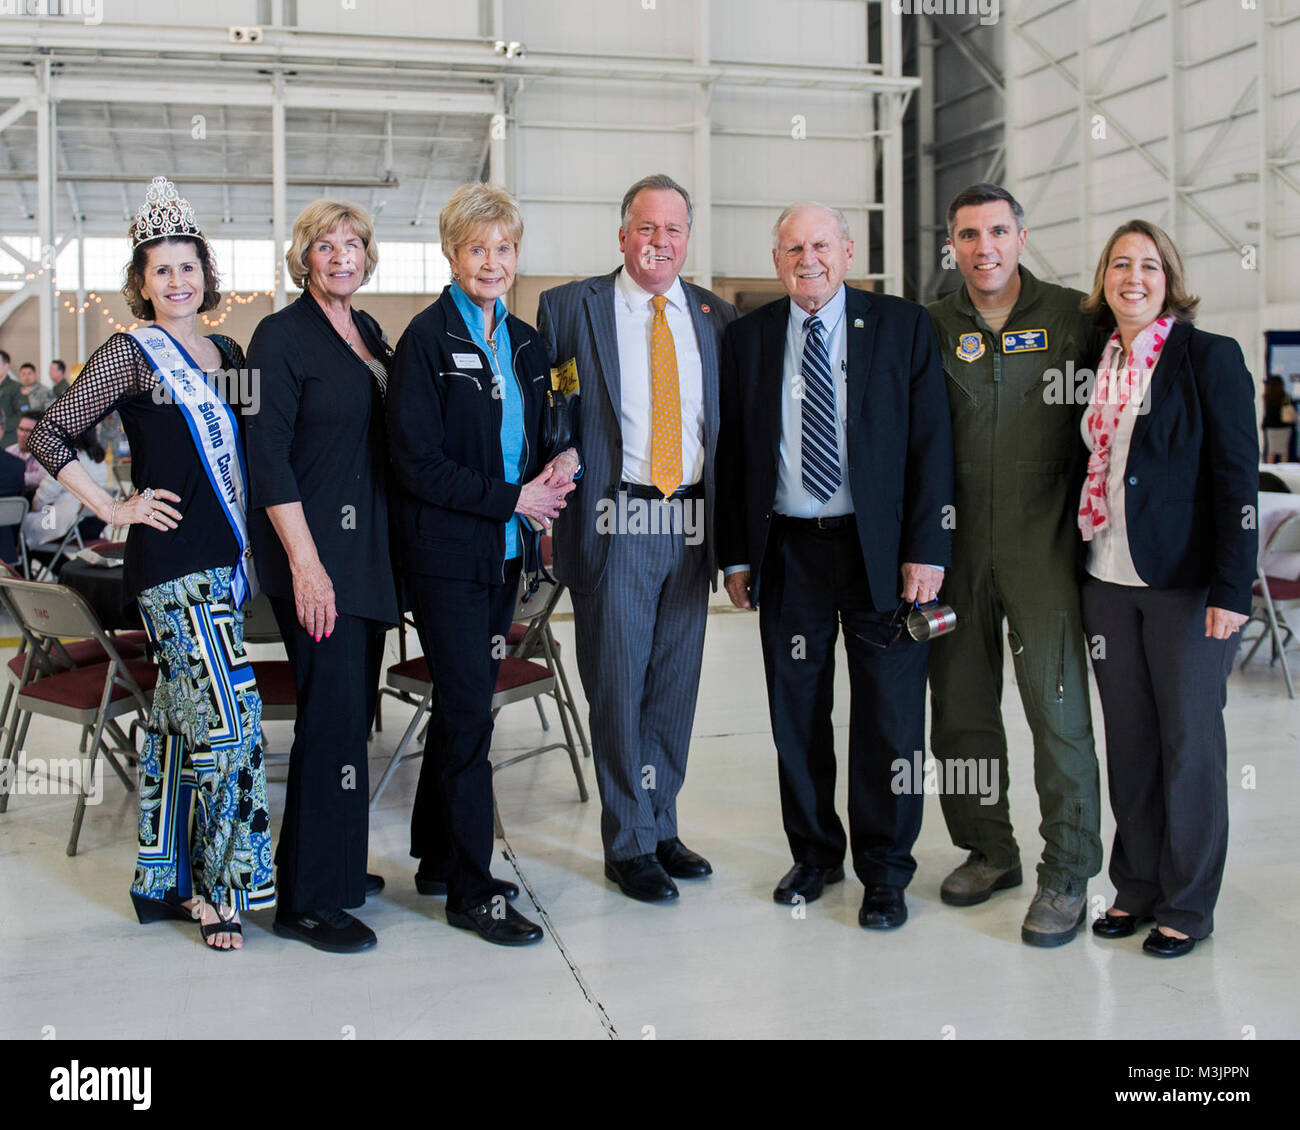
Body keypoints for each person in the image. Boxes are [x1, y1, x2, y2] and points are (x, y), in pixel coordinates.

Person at [27, 175, 273, 949]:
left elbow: (256, 446)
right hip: (171, 565)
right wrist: (111, 506)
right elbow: (49, 437)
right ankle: (222, 891)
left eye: (187, 266)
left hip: (225, 560)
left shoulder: (229, 349)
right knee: (231, 725)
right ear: (140, 282)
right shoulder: (130, 355)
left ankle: (161, 878)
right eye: (160, 269)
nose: (177, 280)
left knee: (177, 724)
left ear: (207, 273)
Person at [716, 201, 953, 929]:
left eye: (821, 244)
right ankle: (815, 854)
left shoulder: (903, 327)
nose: (806, 259)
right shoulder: (749, 337)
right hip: (789, 551)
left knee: (888, 716)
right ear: (776, 257)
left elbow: (931, 446)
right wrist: (734, 554)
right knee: (797, 715)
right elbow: (734, 455)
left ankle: (884, 870)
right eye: (792, 247)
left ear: (848, 251)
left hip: (879, 554)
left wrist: (928, 548)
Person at [535, 173, 736, 902]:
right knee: (618, 684)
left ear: (688, 238)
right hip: (615, 517)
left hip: (689, 519)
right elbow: (551, 408)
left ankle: (660, 821)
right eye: (646, 228)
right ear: (622, 235)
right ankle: (627, 842)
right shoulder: (569, 307)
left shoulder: (715, 315)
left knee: (674, 686)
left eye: (673, 229)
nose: (659, 242)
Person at [388, 182, 579, 946]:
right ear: (452, 253)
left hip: (506, 557)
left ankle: (438, 855)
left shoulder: (527, 341)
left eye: (504, 248)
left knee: (463, 708)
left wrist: (560, 458)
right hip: (447, 559)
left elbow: (548, 420)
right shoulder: (425, 342)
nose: (492, 262)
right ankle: (471, 890)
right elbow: (415, 462)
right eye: (477, 249)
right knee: (470, 714)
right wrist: (513, 499)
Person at [924, 184, 1104, 946]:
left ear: (1021, 237)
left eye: (998, 232)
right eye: (969, 235)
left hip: (1044, 548)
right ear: (953, 246)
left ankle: (1067, 871)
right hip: (956, 550)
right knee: (962, 713)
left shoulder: (1073, 318)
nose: (984, 248)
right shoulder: (930, 325)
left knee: (1057, 715)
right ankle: (989, 849)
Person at [1078, 220, 1257, 958]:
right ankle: (1137, 886)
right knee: (1132, 744)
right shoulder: (1098, 360)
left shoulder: (1208, 358)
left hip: (1185, 585)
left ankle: (1188, 901)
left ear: (1169, 278)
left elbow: (1234, 477)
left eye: (1149, 266)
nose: (1134, 277)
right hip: (1105, 579)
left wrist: (1231, 589)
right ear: (1105, 279)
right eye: (1121, 264)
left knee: (1190, 746)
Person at [245, 200, 398, 954]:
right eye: (326, 246)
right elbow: (266, 457)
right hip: (315, 559)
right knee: (331, 721)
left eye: (354, 245)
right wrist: (306, 564)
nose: (342, 257)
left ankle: (327, 862)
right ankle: (307, 902)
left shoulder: (367, 334)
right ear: (303, 257)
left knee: (348, 717)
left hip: (364, 554)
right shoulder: (280, 336)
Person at [23, 428, 108, 553]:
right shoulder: (98, 460)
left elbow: (43, 497)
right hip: (93, 524)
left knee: (20, 532)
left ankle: (21, 571)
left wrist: (36, 508)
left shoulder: (64, 459)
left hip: (69, 526)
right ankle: (57, 571)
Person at [9, 411, 48, 495]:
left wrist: (13, 477)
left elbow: (43, 478)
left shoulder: (47, 454)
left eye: (28, 431)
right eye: (21, 429)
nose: (23, 435)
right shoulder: (9, 452)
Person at [1262, 375, 1295, 464]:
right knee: (1284, 451)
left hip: (1271, 427)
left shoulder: (1267, 396)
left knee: (1271, 451)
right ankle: (1284, 470)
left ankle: (1270, 469)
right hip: (1284, 426)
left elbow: (1267, 413)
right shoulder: (1285, 396)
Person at [0, 351, 20, 448]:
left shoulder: (16, 388)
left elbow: (21, 415)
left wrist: (3, 426)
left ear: (6, 366)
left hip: (7, 442)